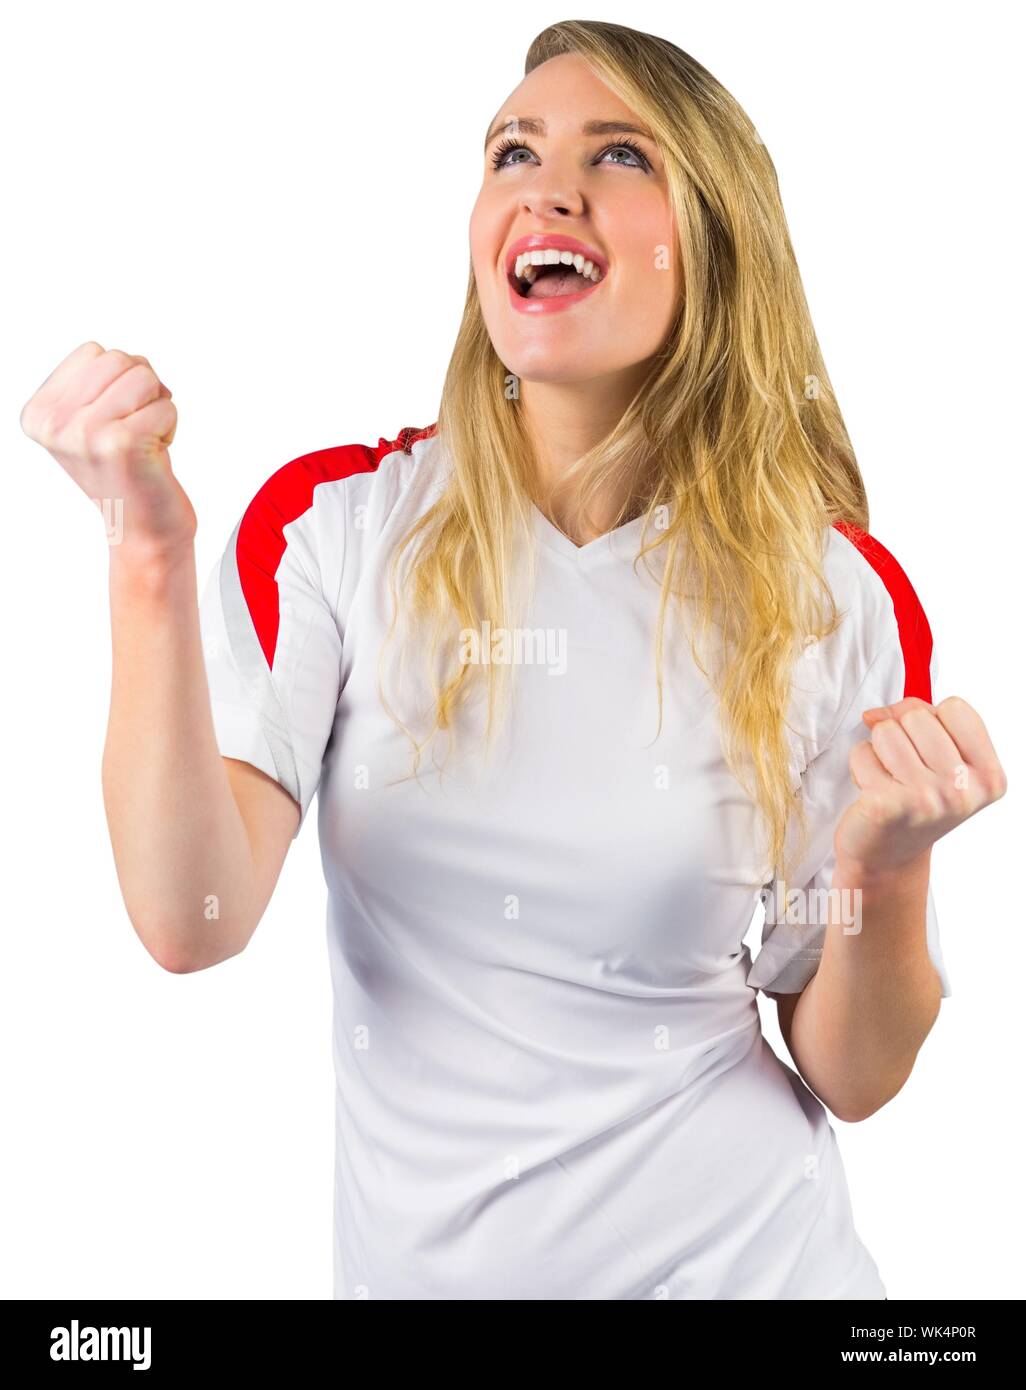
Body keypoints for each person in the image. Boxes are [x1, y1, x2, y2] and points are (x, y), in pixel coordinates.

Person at [20, 20, 1007, 1300]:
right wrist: (144, 550)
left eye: (620, 156)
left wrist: (891, 864)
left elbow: (856, 1075)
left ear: (714, 238)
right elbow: (190, 918)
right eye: (513, 151)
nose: (549, 185)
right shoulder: (339, 529)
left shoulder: (830, 592)